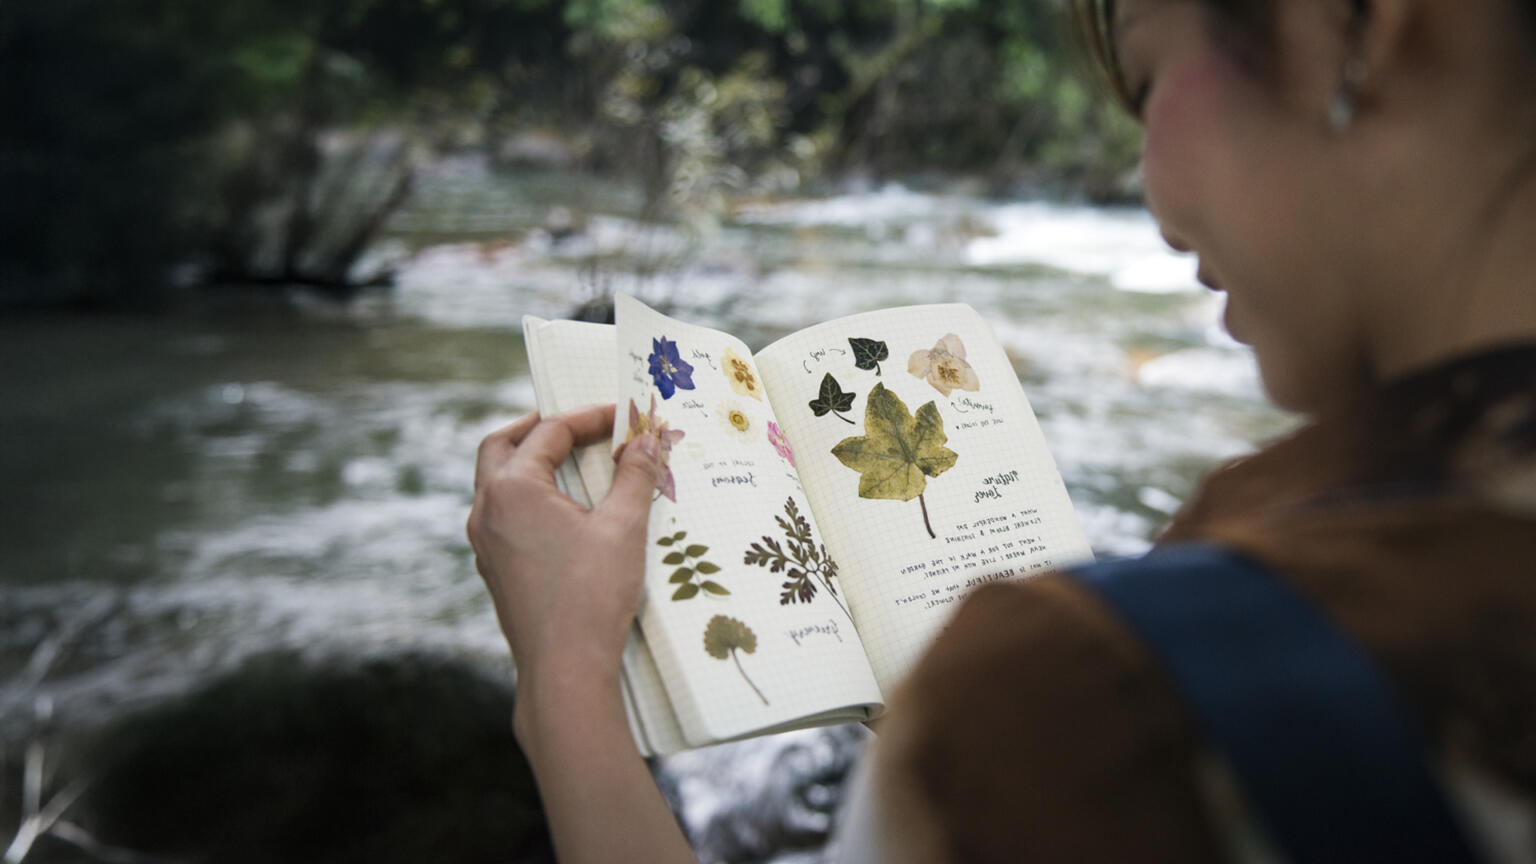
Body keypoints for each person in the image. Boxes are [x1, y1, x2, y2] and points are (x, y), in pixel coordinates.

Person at [465, 0, 1536, 860]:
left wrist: (566, 684)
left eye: (1153, 77)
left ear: (1361, 26)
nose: (1156, 202)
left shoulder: (1093, 694)